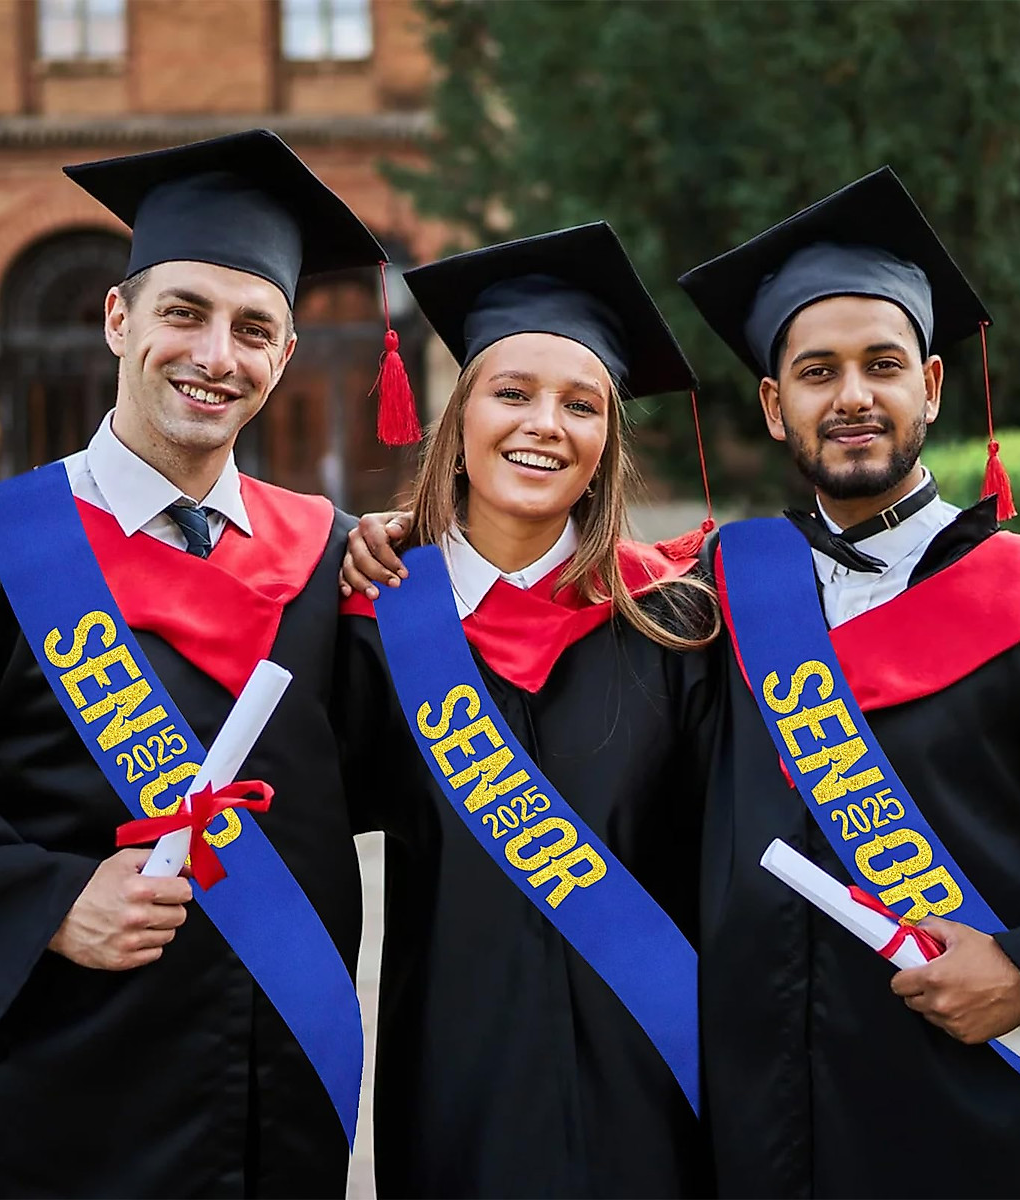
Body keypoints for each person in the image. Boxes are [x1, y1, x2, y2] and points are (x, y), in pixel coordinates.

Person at [0, 129, 393, 1197]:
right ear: (118, 318)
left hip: (273, 1101)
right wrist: (43, 900)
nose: (216, 355)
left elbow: (396, 776)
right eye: (184, 312)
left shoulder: (325, 560)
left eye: (255, 328)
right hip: (51, 1107)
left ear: (282, 354)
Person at [678, 166, 1020, 1197]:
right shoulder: (714, 604)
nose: (852, 398)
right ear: (775, 405)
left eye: (882, 365)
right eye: (817, 372)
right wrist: (398, 546)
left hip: (989, 1129)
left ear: (928, 385)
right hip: (767, 1134)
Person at [334, 222, 721, 1198]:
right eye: (512, 393)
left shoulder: (679, 629)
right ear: (457, 420)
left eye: (581, 405)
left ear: (606, 443)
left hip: (655, 1093)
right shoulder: (373, 625)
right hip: (458, 1088)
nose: (545, 423)